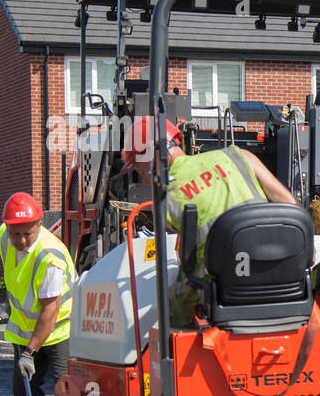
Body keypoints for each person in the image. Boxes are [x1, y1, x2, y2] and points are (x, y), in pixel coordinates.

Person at [126, 116, 298, 324]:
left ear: (151, 154)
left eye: (138, 168)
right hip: (275, 272)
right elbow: (288, 202)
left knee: (175, 297)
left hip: (224, 287)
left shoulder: (165, 201)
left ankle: (180, 352)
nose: (142, 178)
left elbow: (185, 258)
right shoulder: (239, 156)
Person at [0, 192, 76, 396]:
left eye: (27, 233)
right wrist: (26, 347)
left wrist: (29, 352)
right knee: (23, 389)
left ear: (40, 224)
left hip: (60, 330)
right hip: (26, 333)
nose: (21, 240)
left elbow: (50, 311)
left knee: (68, 395)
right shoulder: (3, 237)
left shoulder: (49, 255)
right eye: (15, 233)